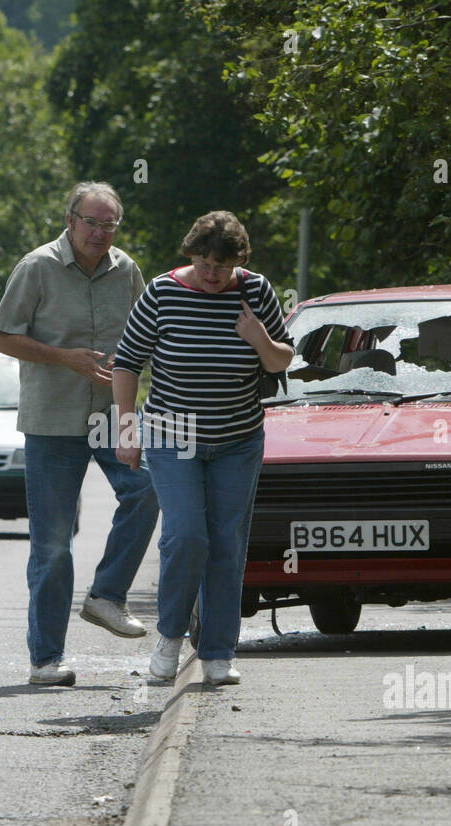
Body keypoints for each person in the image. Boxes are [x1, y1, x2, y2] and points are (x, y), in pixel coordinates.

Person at [0, 182, 160, 687]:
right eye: (92, 222)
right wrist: (65, 357)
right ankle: (46, 659)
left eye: (110, 225)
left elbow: (145, 336)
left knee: (147, 489)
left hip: (112, 411)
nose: (100, 233)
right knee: (54, 546)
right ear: (70, 220)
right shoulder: (36, 266)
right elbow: (0, 336)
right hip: (52, 420)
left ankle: (106, 595)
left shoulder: (126, 269)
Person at [112, 211, 293, 685]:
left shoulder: (256, 291)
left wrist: (260, 339)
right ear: (191, 254)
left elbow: (282, 361)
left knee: (226, 545)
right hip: (175, 434)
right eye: (205, 263)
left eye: (223, 266)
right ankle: (170, 637)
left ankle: (218, 652)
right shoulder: (163, 292)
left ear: (239, 261)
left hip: (238, 438)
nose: (213, 275)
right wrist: (127, 429)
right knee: (187, 535)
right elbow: (127, 363)